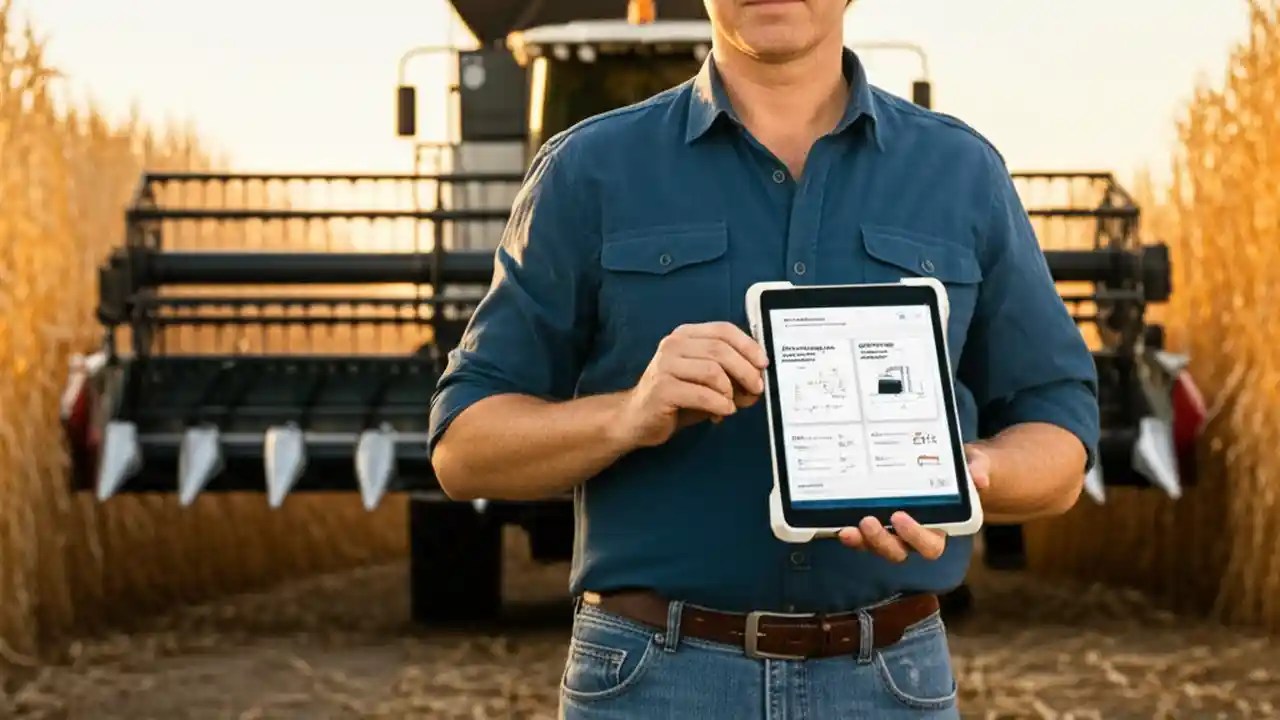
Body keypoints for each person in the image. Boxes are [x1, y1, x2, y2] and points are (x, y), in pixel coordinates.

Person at [427, 0, 1100, 716]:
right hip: (651, 684)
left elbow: (1059, 435)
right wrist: (628, 414)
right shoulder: (586, 170)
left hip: (890, 687)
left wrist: (965, 476)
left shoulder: (962, 173)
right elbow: (464, 448)